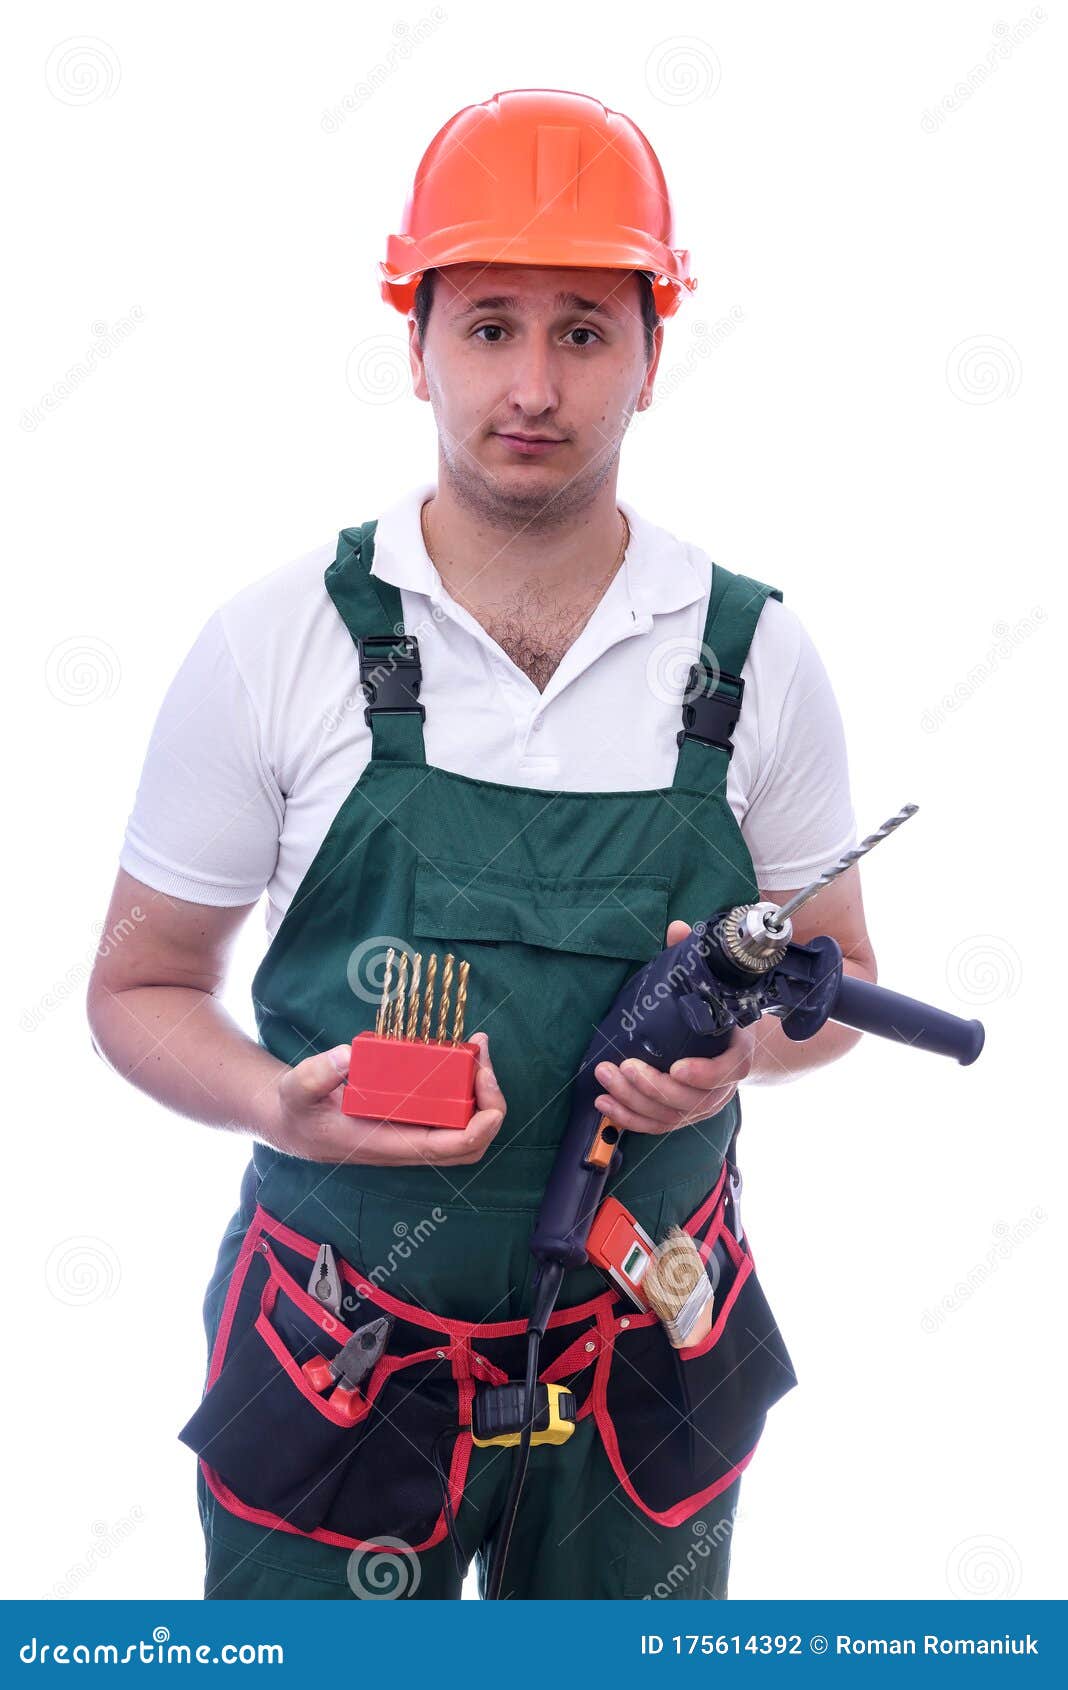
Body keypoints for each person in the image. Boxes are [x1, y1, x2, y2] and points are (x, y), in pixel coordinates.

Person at [87, 88, 877, 1601]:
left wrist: (742, 1056)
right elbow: (139, 987)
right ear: (416, 342)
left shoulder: (755, 657)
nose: (532, 382)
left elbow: (837, 986)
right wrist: (280, 1103)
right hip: (337, 1359)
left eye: (583, 330)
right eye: (489, 324)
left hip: (643, 1355)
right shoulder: (281, 644)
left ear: (654, 353)